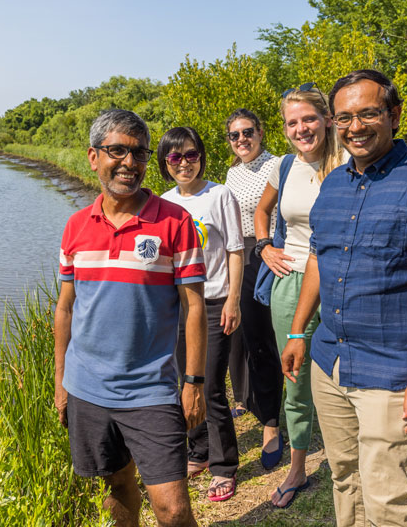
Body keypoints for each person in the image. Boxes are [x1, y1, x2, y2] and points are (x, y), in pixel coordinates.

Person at [281, 69, 407, 527]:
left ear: (394, 115)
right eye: (343, 117)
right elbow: (317, 258)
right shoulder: (332, 185)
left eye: (367, 113)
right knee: (345, 476)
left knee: (390, 500)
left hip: (392, 370)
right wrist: (297, 330)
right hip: (330, 361)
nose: (355, 126)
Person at [53, 109, 208, 527]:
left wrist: (194, 381)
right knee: (118, 487)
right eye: (117, 151)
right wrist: (61, 381)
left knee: (173, 508)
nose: (129, 163)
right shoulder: (74, 227)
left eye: (138, 153)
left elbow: (195, 306)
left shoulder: (176, 223)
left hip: (151, 389)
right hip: (86, 388)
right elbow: (66, 308)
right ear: (93, 157)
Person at [254, 83, 342, 509]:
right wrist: (264, 246)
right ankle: (299, 466)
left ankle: (379, 469)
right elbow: (261, 210)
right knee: (296, 373)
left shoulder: (348, 160)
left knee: (357, 374)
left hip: (346, 278)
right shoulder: (284, 166)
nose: (301, 128)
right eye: (292, 122)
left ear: (327, 119)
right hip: (292, 278)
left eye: (309, 119)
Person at [157, 126, 244, 503]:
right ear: (165, 163)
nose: (184, 164)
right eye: (175, 157)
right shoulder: (162, 202)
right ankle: (199, 451)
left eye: (191, 155)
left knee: (210, 386)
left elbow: (236, 249)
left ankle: (224, 465)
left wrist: (233, 300)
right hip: (177, 307)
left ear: (201, 156)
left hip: (212, 302)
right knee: (184, 382)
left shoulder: (220, 194)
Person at [222, 108, 285, 470]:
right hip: (238, 256)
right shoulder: (232, 172)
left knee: (269, 339)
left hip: (269, 252)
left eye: (248, 132)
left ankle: (274, 420)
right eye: (235, 135)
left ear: (260, 132)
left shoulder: (278, 164)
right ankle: (256, 406)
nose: (242, 139)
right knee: (246, 336)